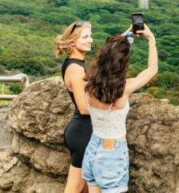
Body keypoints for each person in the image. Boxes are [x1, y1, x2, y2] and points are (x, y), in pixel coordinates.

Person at [81, 24, 157, 193]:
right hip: (112, 153)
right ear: (122, 65)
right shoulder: (123, 89)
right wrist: (151, 39)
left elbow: (110, 54)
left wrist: (124, 38)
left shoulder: (90, 82)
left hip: (93, 147)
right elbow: (152, 69)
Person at [55, 21, 94, 193]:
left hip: (84, 132)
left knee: (85, 188)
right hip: (82, 134)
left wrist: (127, 36)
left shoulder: (76, 62)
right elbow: (84, 108)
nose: (90, 40)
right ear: (72, 42)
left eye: (90, 35)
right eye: (85, 37)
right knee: (74, 189)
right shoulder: (76, 69)